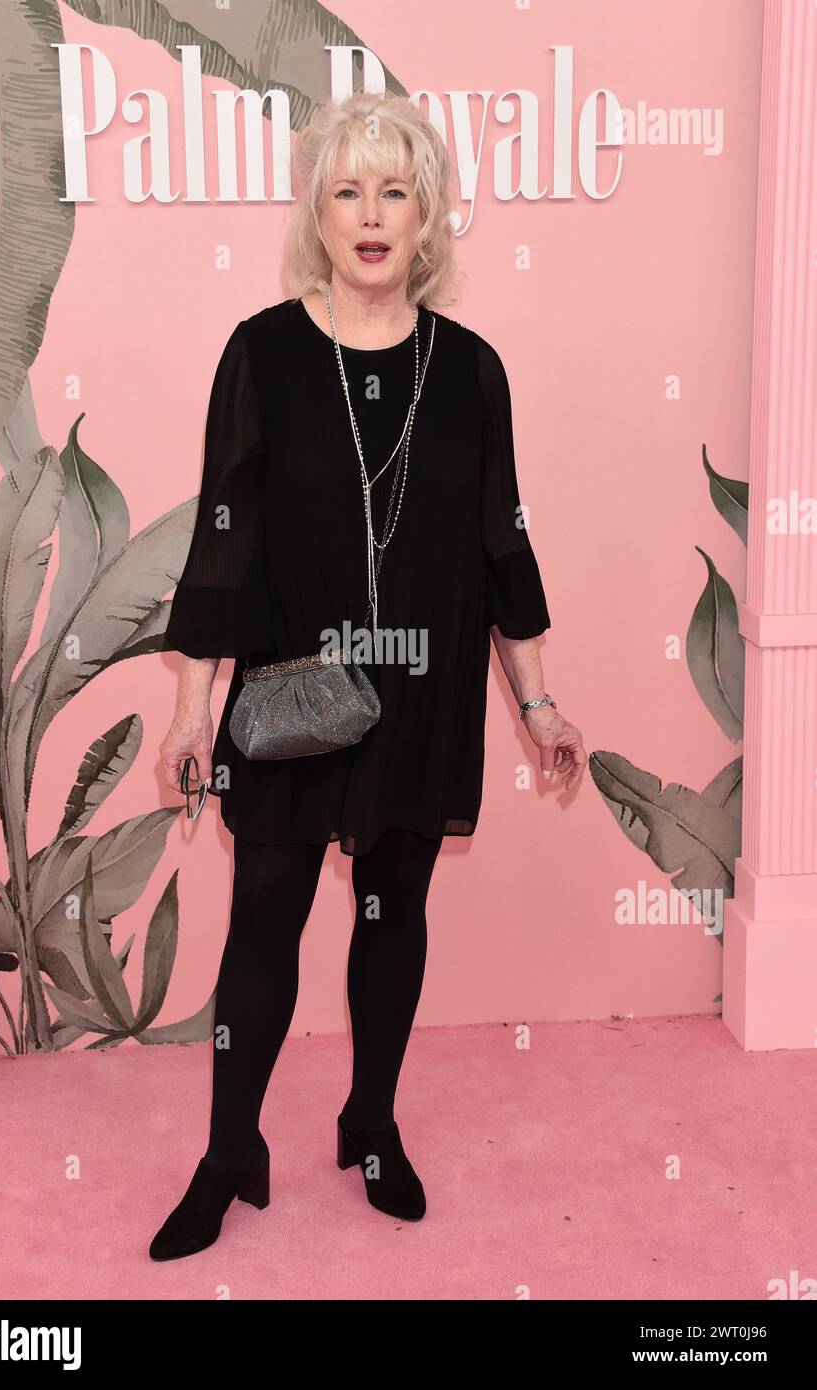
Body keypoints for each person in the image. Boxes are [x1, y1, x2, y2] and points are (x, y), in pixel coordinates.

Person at [151, 91, 586, 1262]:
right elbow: (223, 546)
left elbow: (502, 541)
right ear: (319, 213)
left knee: (392, 918)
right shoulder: (262, 352)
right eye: (348, 190)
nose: (372, 214)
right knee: (264, 923)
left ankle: (371, 1122)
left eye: (394, 189)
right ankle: (229, 1148)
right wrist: (194, 705)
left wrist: (537, 702)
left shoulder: (471, 370)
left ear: (427, 212)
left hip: (426, 690)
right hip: (292, 694)